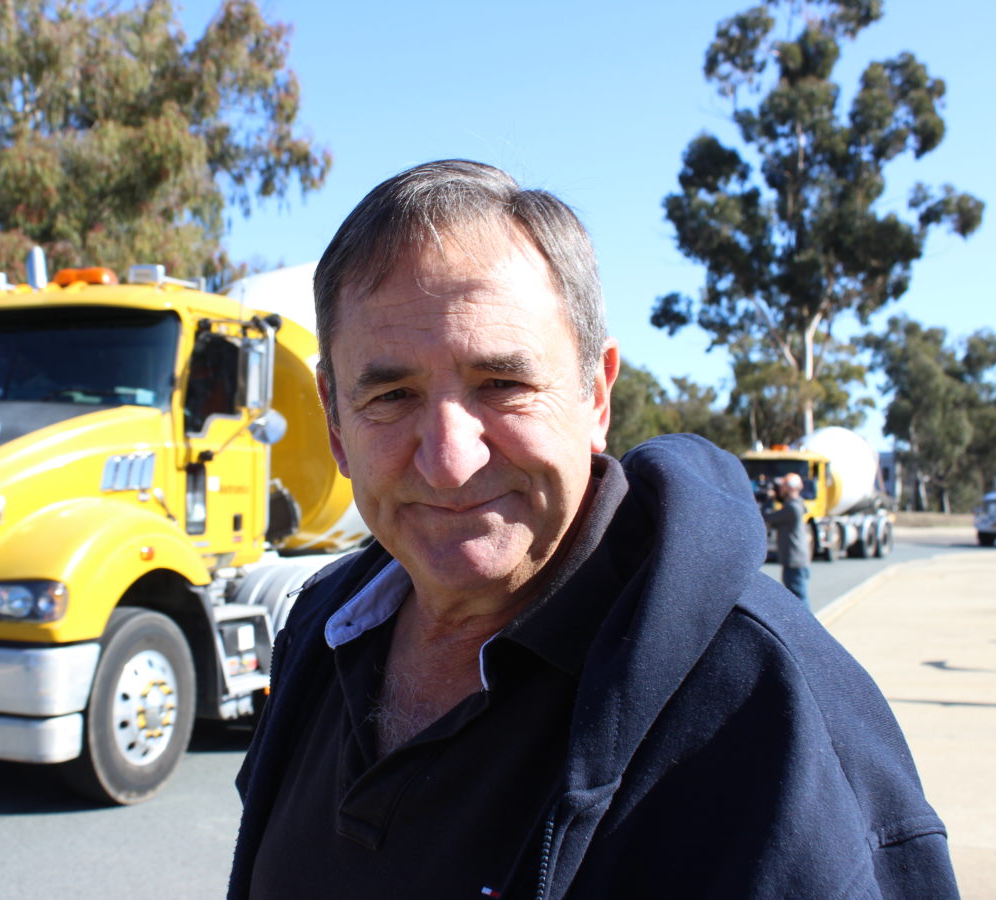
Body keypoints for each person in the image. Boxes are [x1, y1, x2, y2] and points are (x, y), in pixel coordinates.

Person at [229, 160, 956, 898]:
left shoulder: (771, 709)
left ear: (597, 394)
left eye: (502, 384)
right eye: (391, 394)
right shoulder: (322, 634)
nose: (448, 462)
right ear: (334, 420)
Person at [764, 472, 812, 604]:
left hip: (794, 560)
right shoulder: (796, 504)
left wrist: (769, 500)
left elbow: (768, 518)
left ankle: (804, 625)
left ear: (790, 487)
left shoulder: (792, 508)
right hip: (796, 559)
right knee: (797, 599)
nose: (780, 489)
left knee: (799, 601)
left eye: (783, 486)